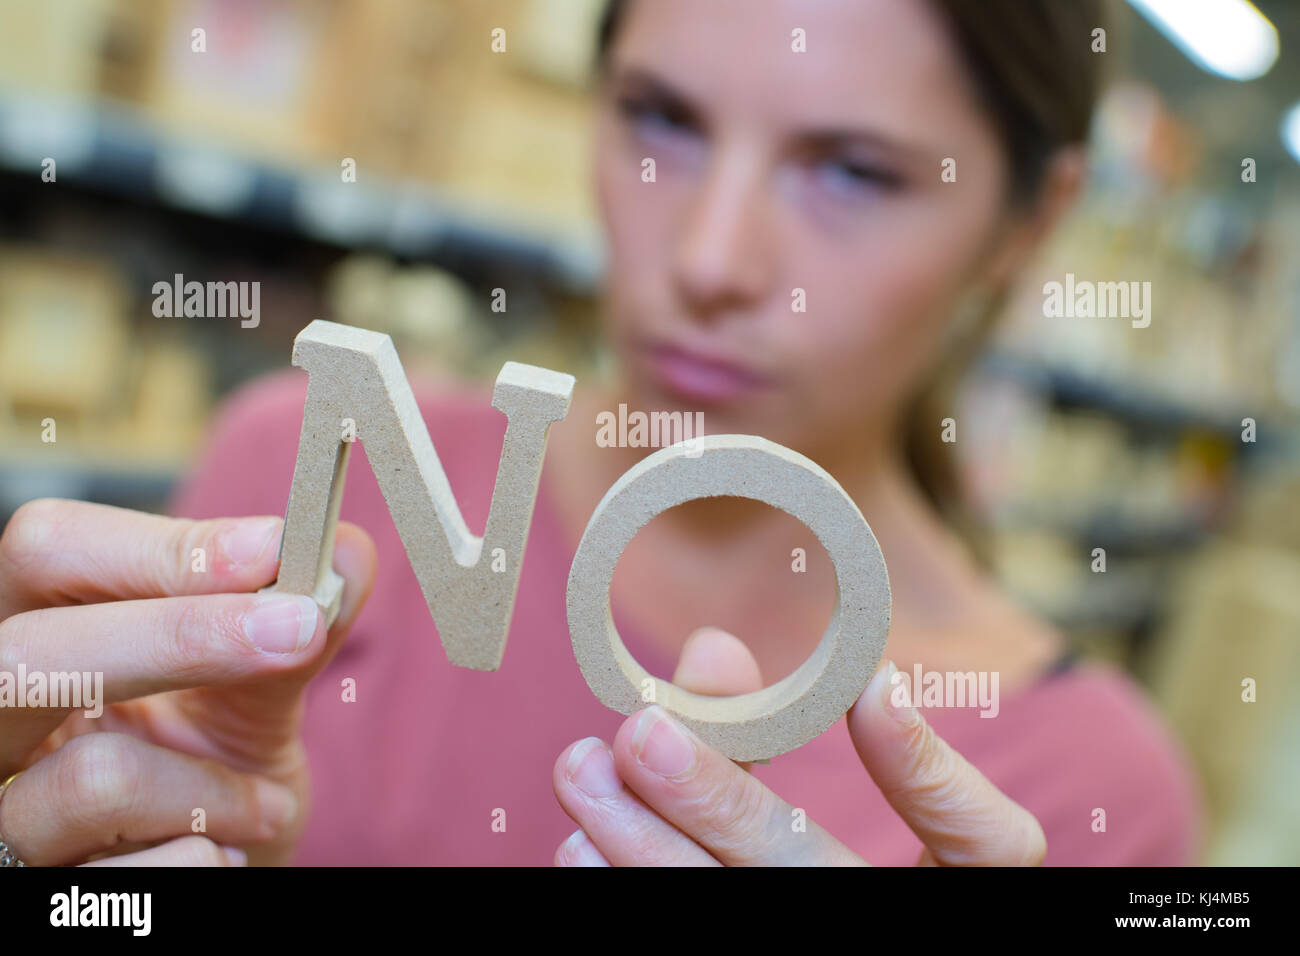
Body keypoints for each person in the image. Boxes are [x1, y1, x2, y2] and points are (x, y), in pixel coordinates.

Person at [0, 0, 1202, 866]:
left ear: (1026, 223)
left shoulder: (1085, 791)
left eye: (851, 170)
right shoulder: (311, 471)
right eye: (661, 118)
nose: (709, 259)